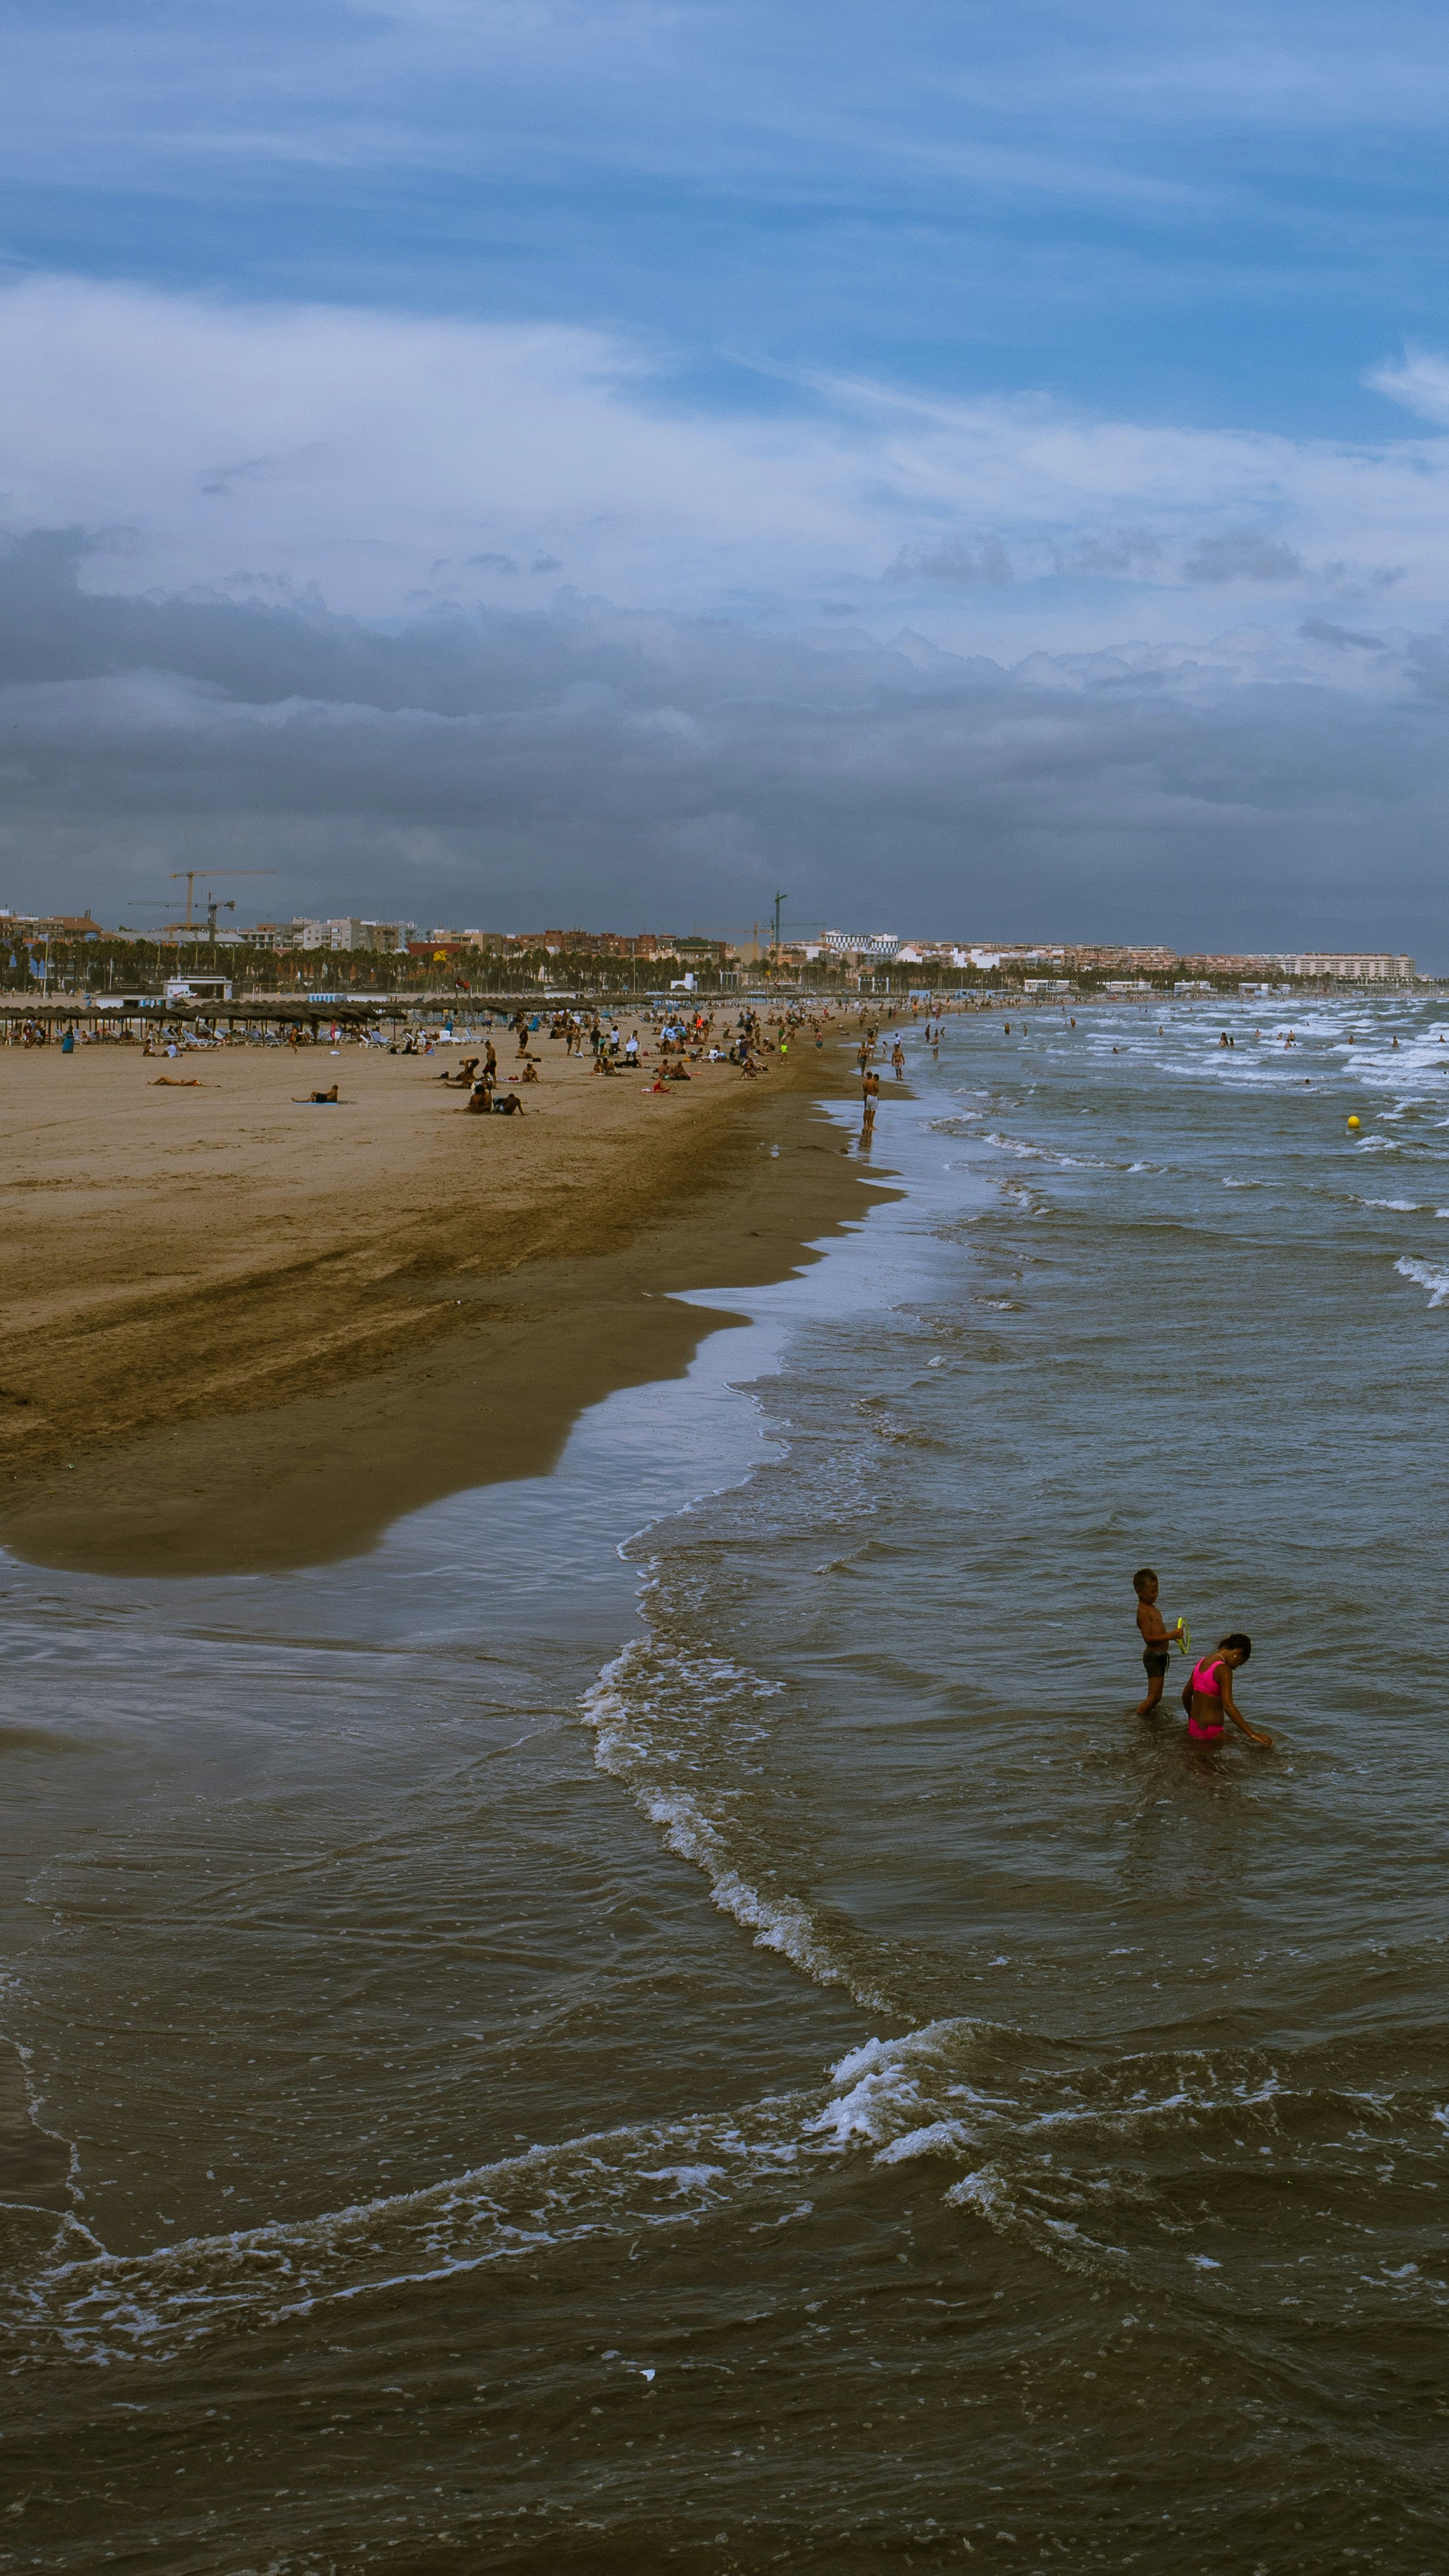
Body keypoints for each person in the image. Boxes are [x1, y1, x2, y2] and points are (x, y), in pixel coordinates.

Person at [1184, 1634, 1271, 1747]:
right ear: (1238, 1653)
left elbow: (1185, 1696)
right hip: (1212, 1734)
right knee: (1251, 1746)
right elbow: (1228, 1706)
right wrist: (1253, 1735)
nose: (1235, 1668)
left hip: (1193, 1728)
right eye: (1240, 1664)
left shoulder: (1202, 1662)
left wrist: (1192, 1719)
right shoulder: (1224, 1670)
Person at [1132, 1567, 1183, 1716]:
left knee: (1157, 1696)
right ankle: (1139, 1718)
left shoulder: (1153, 1608)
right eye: (1152, 1591)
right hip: (1153, 1658)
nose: (1156, 1594)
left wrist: (1172, 1637)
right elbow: (1148, 1638)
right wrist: (1170, 1636)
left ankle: (1149, 1717)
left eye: (1157, 1590)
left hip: (1160, 1657)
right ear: (1139, 1591)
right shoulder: (1143, 1612)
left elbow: (1159, 1633)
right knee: (1154, 1697)